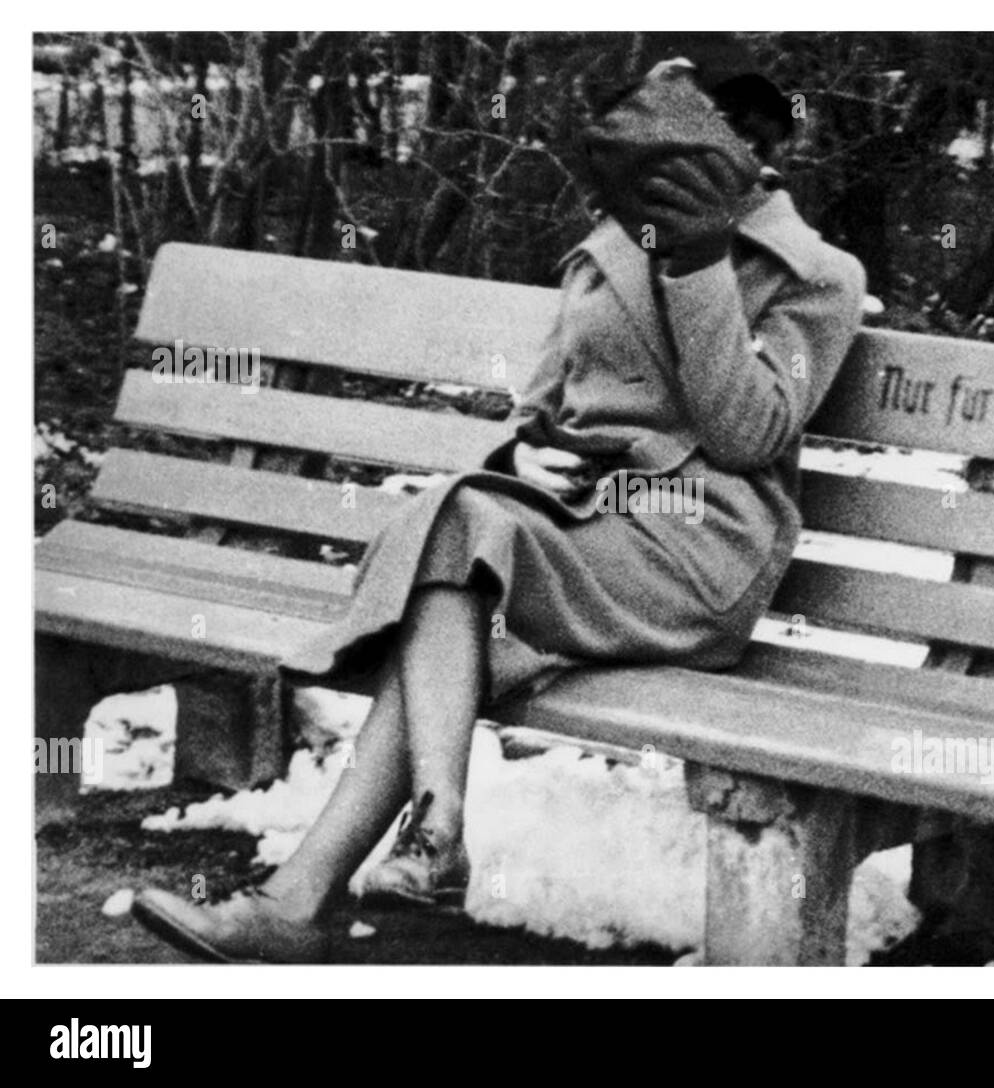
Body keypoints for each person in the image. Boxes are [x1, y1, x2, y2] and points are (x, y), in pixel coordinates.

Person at [131, 37, 866, 963]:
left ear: (757, 154)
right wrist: (524, 453)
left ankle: (358, 874)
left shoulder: (818, 277)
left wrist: (701, 265)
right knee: (458, 560)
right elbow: (543, 402)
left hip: (696, 549)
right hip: (578, 525)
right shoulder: (608, 247)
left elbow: (749, 434)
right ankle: (358, 873)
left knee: (455, 553)